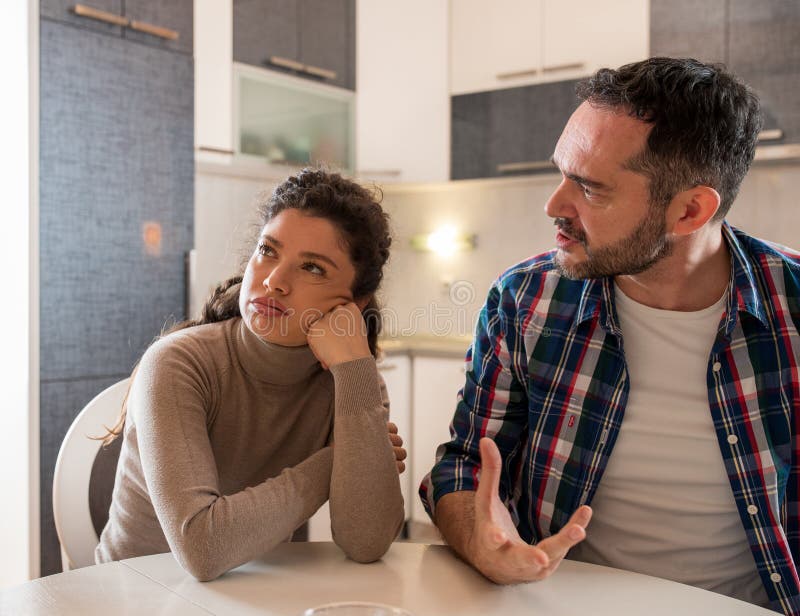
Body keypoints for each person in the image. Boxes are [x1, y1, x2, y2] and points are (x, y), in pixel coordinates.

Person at [421, 57, 800, 615]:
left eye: (591, 189)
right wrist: (483, 537)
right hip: (559, 605)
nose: (554, 206)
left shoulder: (792, 308)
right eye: (561, 173)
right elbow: (463, 463)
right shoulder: (526, 300)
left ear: (690, 211)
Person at [96, 168, 407, 581]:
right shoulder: (177, 363)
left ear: (356, 300)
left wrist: (355, 374)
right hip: (132, 596)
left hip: (257, 593)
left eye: (312, 268)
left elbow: (367, 543)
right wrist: (340, 459)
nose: (274, 281)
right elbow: (202, 548)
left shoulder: (354, 385)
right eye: (268, 251)